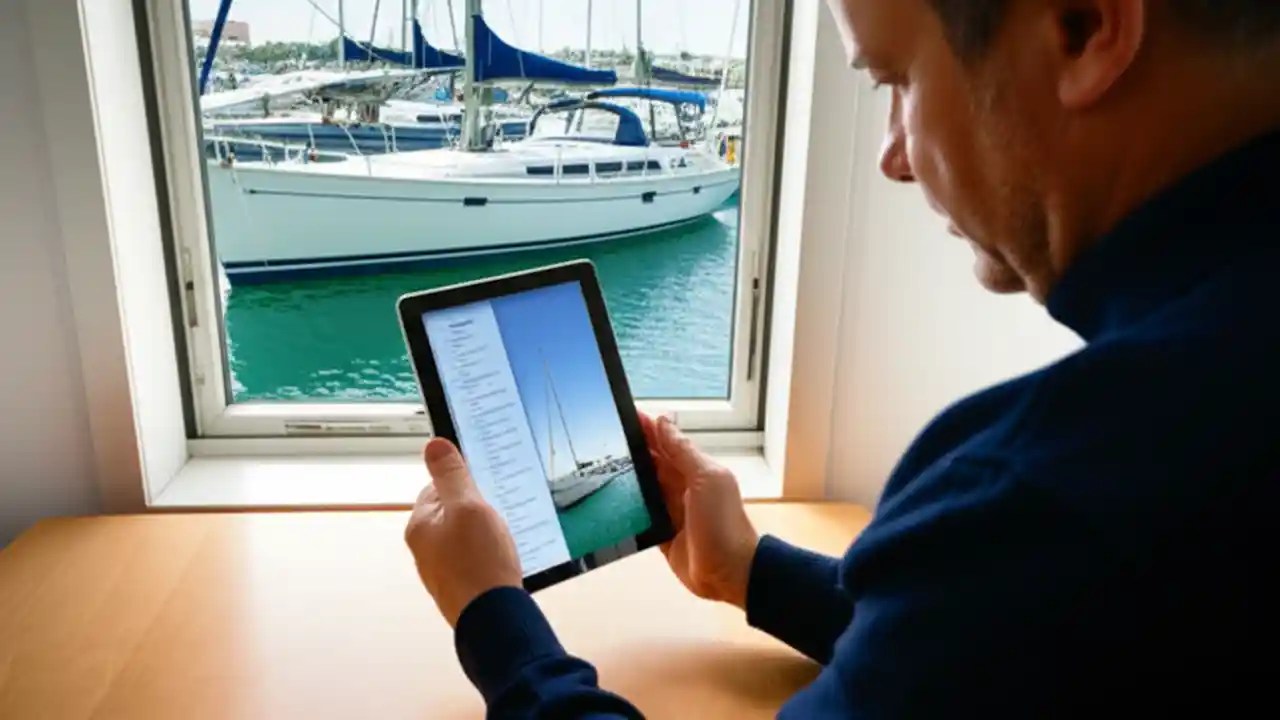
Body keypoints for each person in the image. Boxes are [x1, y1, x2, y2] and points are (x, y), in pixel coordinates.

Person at [404, 0, 1280, 716]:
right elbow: (1009, 642)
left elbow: (1010, 597)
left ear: (1084, 27)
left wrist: (494, 621)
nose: (894, 157)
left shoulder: (1051, 497)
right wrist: (750, 571)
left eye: (898, 81)